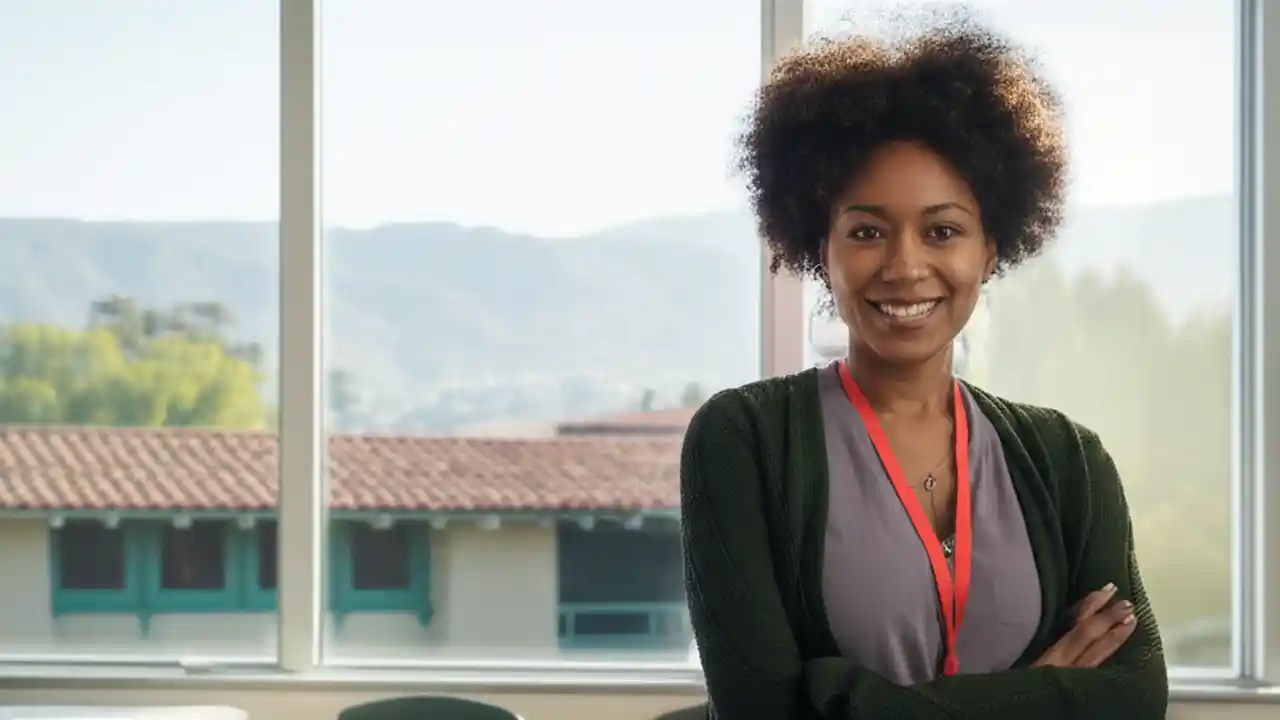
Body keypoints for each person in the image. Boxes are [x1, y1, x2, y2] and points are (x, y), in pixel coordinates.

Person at [679, 14, 1169, 720]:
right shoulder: (744, 441)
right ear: (821, 250)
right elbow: (763, 709)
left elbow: (1132, 699)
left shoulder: (1068, 461)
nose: (906, 267)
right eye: (868, 232)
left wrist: (842, 697)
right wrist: (1043, 690)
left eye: (943, 230)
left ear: (990, 249)